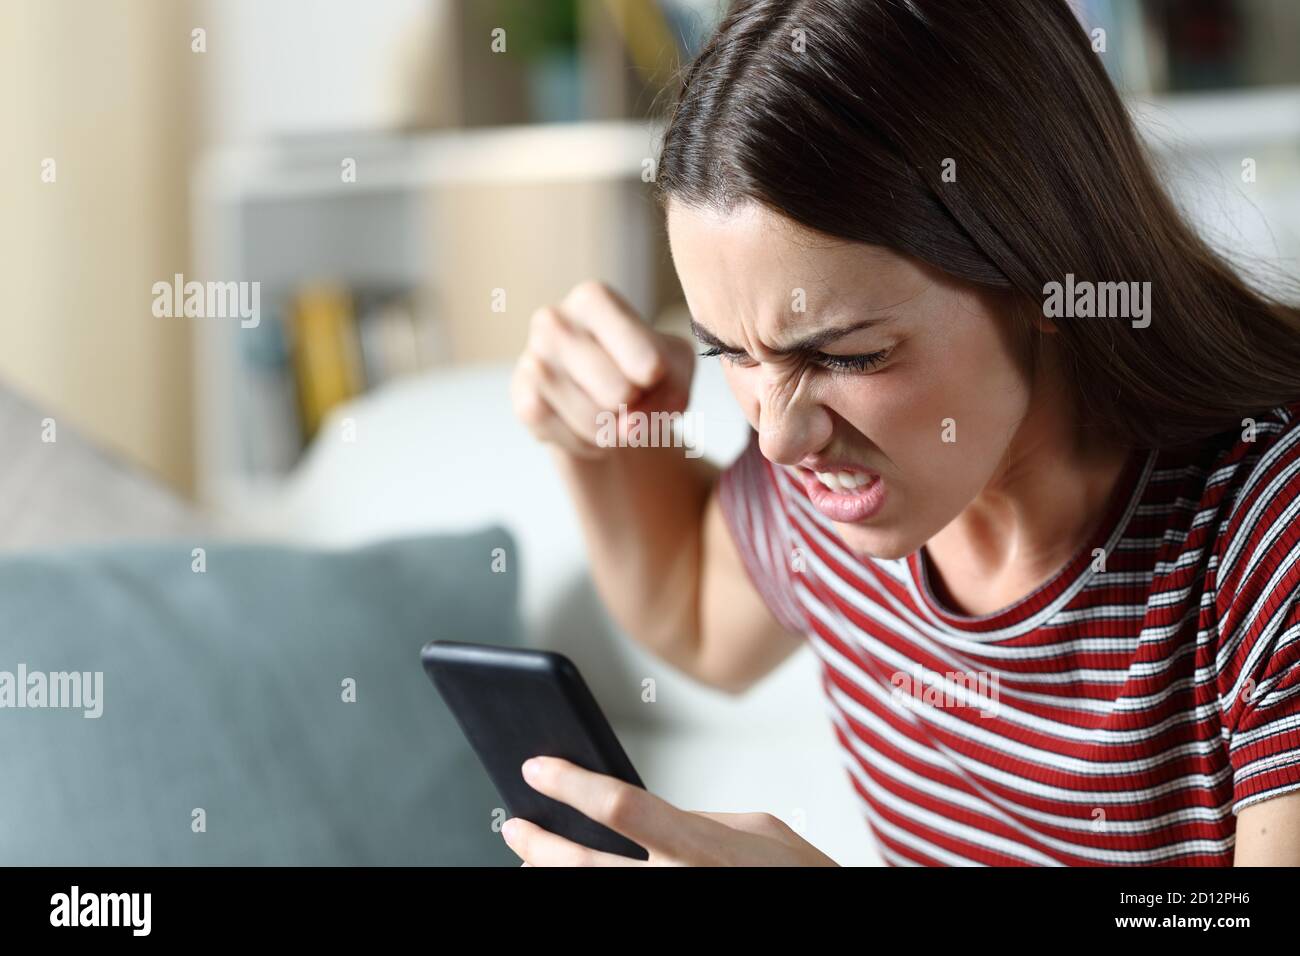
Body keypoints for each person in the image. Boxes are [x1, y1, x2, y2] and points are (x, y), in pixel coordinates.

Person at [506, 0, 1300, 866]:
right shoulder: (835, 488)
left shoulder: (1268, 534)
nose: (778, 440)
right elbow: (693, 611)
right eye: (728, 350)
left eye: (850, 355)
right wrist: (600, 435)